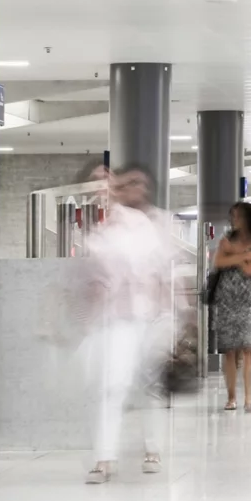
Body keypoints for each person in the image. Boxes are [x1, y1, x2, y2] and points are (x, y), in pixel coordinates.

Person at [82, 165, 174, 484]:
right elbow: (93, 280)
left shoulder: (138, 224)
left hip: (148, 316)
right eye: (93, 185)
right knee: (113, 385)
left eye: (104, 183)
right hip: (116, 321)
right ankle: (104, 458)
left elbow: (157, 271)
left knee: (150, 387)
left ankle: (153, 448)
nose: (100, 190)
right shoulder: (96, 232)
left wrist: (173, 318)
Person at [213, 201, 251, 411]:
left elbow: (250, 269)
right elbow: (219, 262)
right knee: (229, 350)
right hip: (226, 299)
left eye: (239, 216)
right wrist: (241, 257)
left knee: (247, 349)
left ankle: (249, 398)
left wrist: (232, 254)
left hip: (248, 300)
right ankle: (231, 397)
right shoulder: (226, 239)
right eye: (233, 216)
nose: (235, 220)